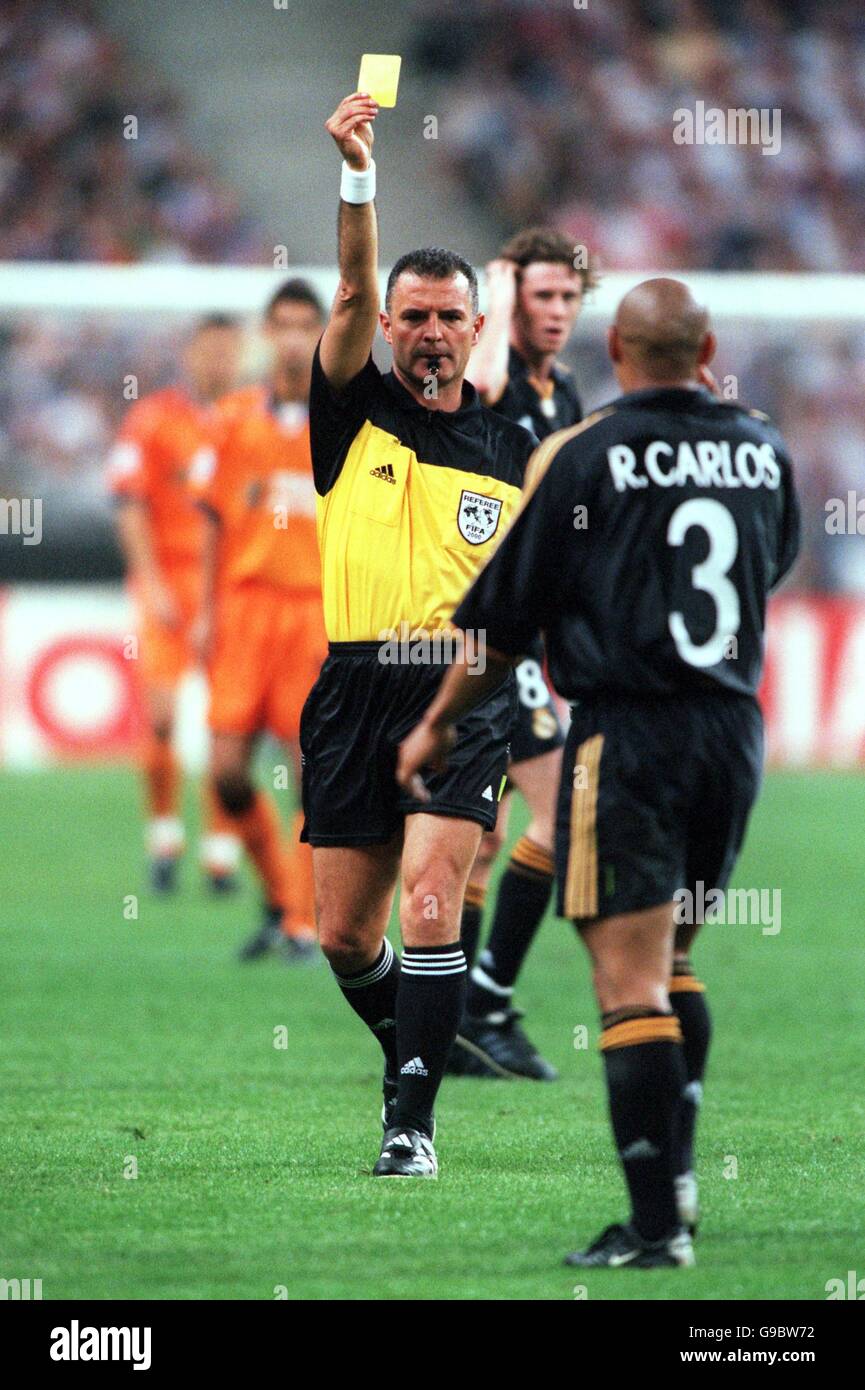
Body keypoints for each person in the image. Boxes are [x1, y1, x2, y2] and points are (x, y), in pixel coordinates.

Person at [397, 278, 800, 1263]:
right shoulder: (764, 446)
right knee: (673, 961)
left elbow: (498, 623)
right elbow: (774, 561)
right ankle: (683, 1180)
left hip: (629, 732)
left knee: (627, 985)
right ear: (705, 350)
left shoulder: (584, 454)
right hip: (731, 731)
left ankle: (654, 1228)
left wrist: (437, 722)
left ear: (615, 347)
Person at [302, 91, 536, 1176]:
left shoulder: (507, 448)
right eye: (416, 315)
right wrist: (359, 176)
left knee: (434, 901)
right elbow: (347, 283)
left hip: (454, 694)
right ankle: (425, 1050)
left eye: (451, 316)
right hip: (352, 687)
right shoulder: (350, 406)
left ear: (475, 330)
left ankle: (411, 1126)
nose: (433, 331)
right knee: (346, 936)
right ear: (388, 326)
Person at [452, 227, 594, 1081]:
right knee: (565, 813)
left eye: (568, 297)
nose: (555, 311)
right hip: (492, 628)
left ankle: (456, 1016)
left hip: (533, 628)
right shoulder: (492, 376)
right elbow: (483, 382)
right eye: (540, 295)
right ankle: (485, 1001)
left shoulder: (566, 390)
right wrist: (496, 289)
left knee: (487, 832)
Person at [192, 281, 326, 963]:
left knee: (309, 771)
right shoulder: (230, 419)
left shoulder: (346, 418)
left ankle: (303, 921)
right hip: (244, 611)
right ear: (266, 334)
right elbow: (213, 519)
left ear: (325, 332)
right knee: (226, 772)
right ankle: (278, 897)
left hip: (314, 610)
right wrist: (205, 614)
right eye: (284, 325)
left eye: (307, 324)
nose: (295, 337)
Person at [109, 315, 243, 893]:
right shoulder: (153, 418)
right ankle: (164, 836)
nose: (217, 362)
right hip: (168, 584)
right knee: (162, 718)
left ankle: (220, 852)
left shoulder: (248, 419)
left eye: (227, 352)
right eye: (208, 351)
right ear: (190, 354)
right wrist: (150, 579)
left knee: (225, 724)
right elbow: (129, 502)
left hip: (228, 588)